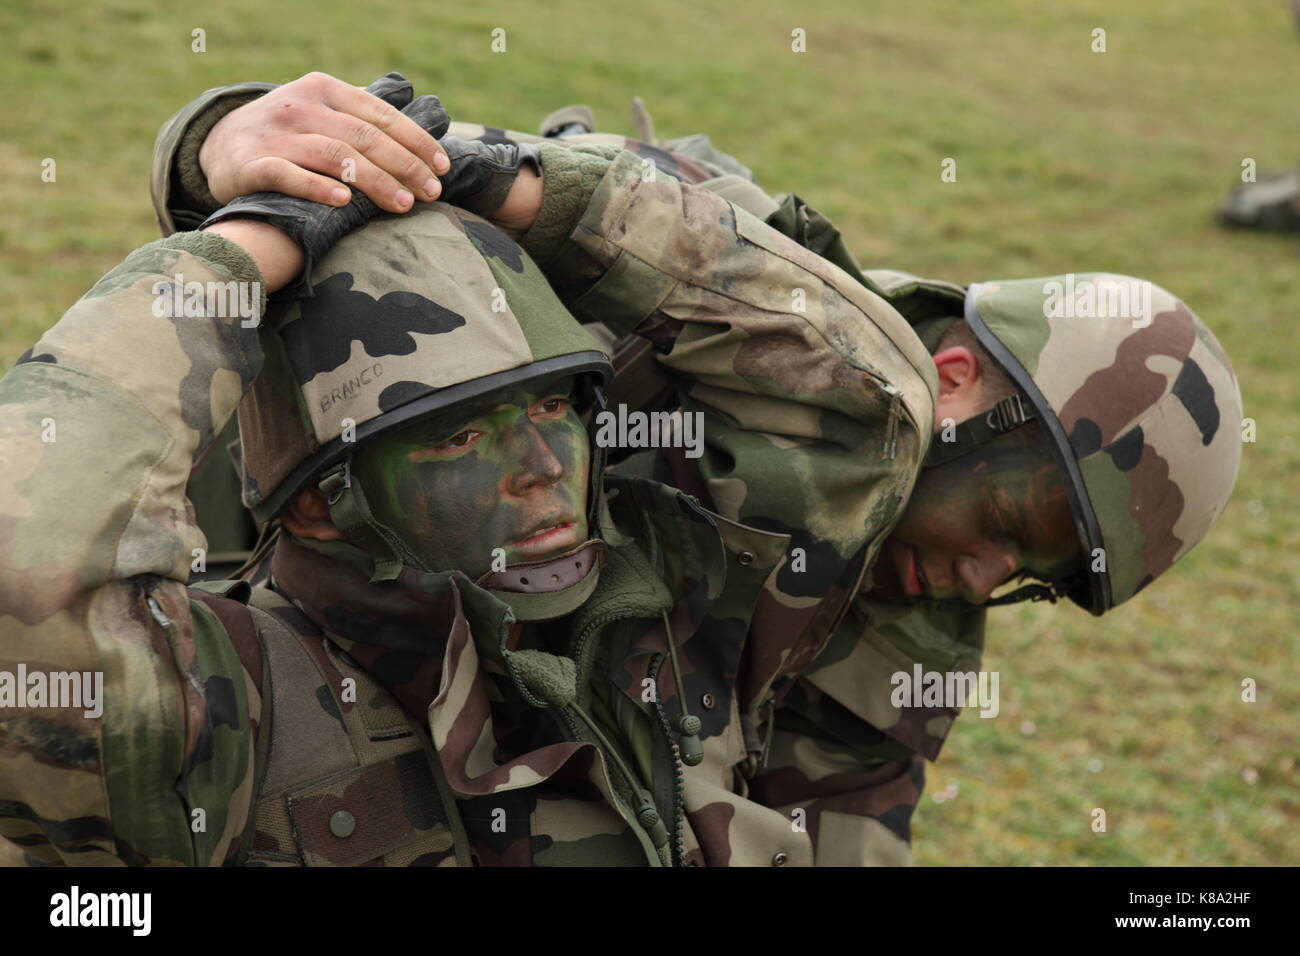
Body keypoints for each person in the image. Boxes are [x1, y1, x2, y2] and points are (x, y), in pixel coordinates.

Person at [144, 71, 1247, 857]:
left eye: (1031, 575)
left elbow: (845, 819)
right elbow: (312, 179)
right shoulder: (662, 266)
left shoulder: (917, 594)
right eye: (1014, 522)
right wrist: (218, 133)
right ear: (955, 377)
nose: (979, 578)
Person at [0, 89, 949, 865]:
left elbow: (865, 396)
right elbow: (24, 574)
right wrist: (228, 260)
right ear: (325, 500)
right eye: (455, 442)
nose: (543, 473)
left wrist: (554, 203)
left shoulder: (669, 601)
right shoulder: (238, 715)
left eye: (552, 411)